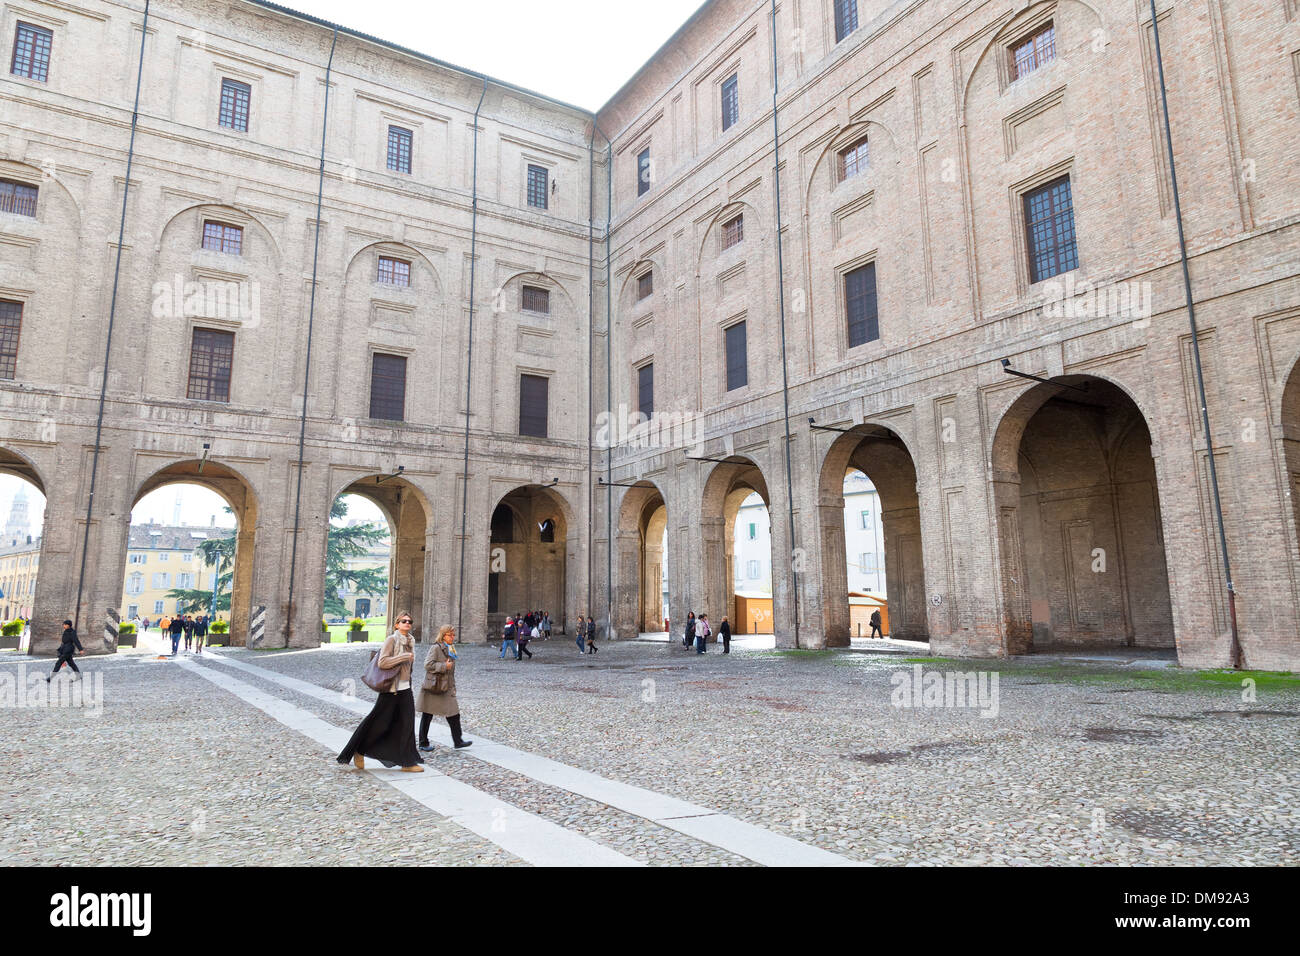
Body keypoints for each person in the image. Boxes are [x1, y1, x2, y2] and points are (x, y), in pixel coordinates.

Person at [337, 612, 423, 772]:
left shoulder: (411, 640)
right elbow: (383, 662)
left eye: (410, 621)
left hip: (405, 689)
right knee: (379, 723)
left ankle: (407, 762)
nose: (407, 623)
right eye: (403, 621)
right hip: (391, 689)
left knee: (407, 725)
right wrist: (403, 657)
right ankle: (359, 750)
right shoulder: (391, 640)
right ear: (397, 624)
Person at [417, 625, 472, 752]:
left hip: (446, 686)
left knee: (454, 713)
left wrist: (453, 686)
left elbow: (451, 671)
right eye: (450, 635)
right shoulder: (436, 648)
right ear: (443, 635)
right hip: (434, 686)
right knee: (427, 714)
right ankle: (423, 742)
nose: (453, 637)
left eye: (453, 634)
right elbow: (427, 664)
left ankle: (458, 741)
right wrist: (443, 666)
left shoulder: (451, 649)